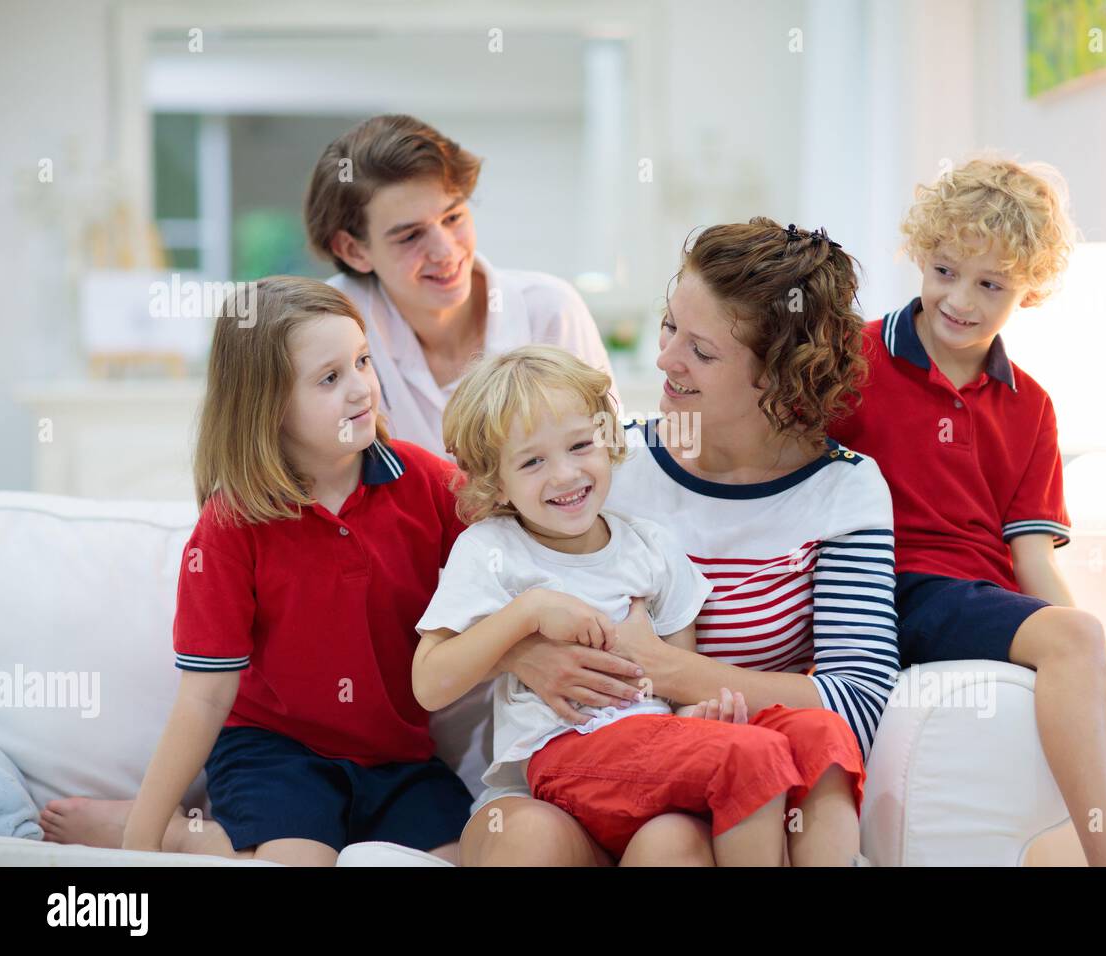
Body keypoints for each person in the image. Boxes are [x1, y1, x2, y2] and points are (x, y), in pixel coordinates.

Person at [456, 219, 899, 866]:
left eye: (702, 349)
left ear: (780, 374)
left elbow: (856, 704)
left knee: (764, 784)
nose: (665, 360)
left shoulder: (843, 490)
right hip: (570, 777)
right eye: (670, 327)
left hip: (734, 776)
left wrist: (671, 672)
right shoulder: (600, 467)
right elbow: (473, 593)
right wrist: (522, 651)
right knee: (534, 838)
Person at [39, 277, 474, 865]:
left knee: (460, 857)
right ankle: (177, 832)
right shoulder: (230, 526)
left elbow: (514, 560)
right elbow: (204, 696)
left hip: (399, 757)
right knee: (298, 861)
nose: (360, 389)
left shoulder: (427, 484)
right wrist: (140, 848)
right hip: (276, 751)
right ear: (266, 404)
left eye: (363, 362)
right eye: (329, 378)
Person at [827, 156, 1106, 866]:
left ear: (1030, 289)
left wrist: (1097, 689)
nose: (959, 299)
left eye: (990, 284)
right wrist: (1078, 648)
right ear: (921, 260)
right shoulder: (853, 362)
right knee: (1077, 638)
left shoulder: (1032, 404)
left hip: (984, 604)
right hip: (892, 592)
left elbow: (1032, 564)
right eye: (943, 271)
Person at [413, 345, 865, 865]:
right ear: (496, 480)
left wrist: (702, 714)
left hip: (655, 752)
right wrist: (528, 612)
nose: (564, 475)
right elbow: (429, 684)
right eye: (532, 460)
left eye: (580, 445)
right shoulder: (493, 549)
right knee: (751, 755)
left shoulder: (649, 546)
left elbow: (676, 685)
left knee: (821, 732)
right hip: (563, 753)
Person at [304, 113, 620, 460]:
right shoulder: (332, 326)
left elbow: (607, 458)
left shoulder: (550, 311)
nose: (445, 250)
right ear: (353, 250)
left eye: (453, 218)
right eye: (410, 236)